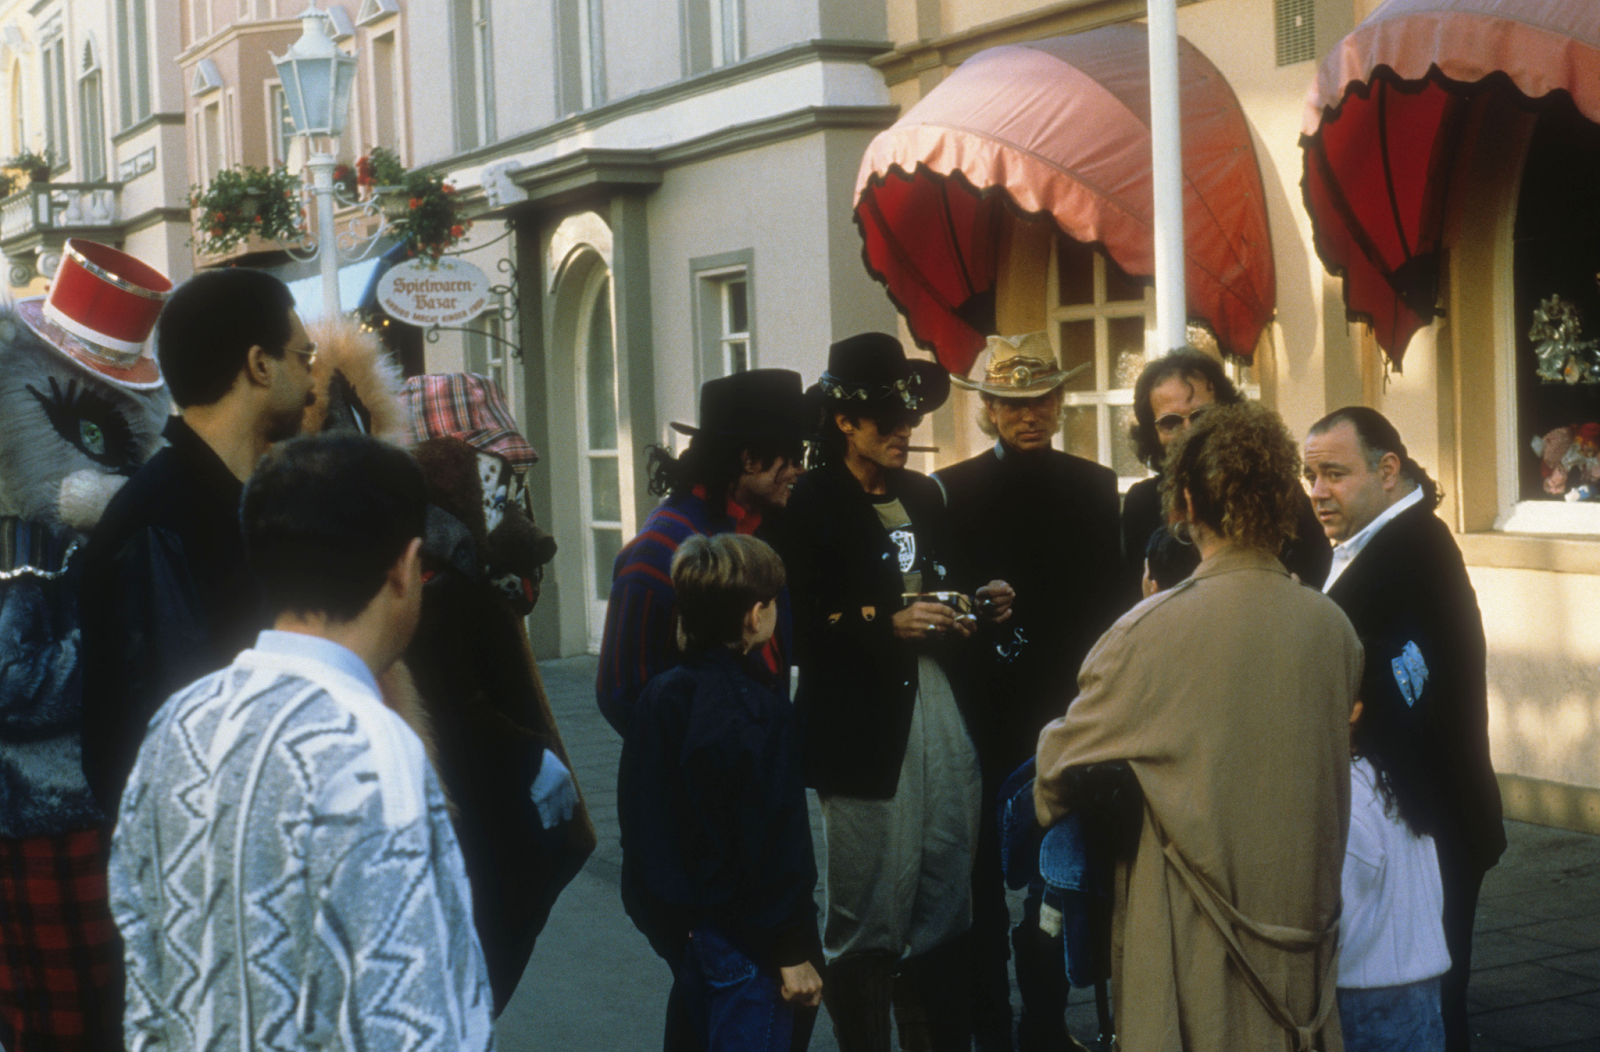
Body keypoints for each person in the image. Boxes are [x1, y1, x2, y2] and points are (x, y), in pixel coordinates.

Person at [107, 432, 494, 1052]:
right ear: (404, 567)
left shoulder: (179, 723)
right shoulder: (373, 748)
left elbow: (143, 966)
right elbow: (417, 1021)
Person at [1036, 402, 1361, 1051]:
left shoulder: (1148, 633)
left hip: (1194, 957)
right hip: (1306, 955)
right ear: (1280, 497)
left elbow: (1054, 773)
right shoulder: (1333, 629)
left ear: (1183, 501)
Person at [787, 332, 1010, 1052]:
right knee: (867, 909)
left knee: (946, 886)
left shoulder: (923, 494)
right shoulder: (811, 501)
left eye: (909, 419)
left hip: (940, 707)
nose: (904, 433)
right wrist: (886, 623)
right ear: (843, 421)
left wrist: (978, 601)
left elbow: (941, 579)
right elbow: (797, 625)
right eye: (887, 419)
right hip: (861, 728)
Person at [935, 332, 1120, 1052]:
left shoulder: (1096, 485)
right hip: (984, 706)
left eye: (1041, 399)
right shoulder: (953, 490)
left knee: (1060, 872)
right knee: (981, 876)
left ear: (1060, 401)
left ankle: (1044, 1020)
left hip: (1071, 704)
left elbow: (1111, 603)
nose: (1029, 413)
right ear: (986, 408)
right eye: (1012, 402)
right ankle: (989, 1025)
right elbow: (945, 596)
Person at [78, 268, 316, 815]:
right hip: (207, 862)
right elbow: (173, 730)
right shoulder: (162, 515)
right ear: (259, 364)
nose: (311, 384)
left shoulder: (233, 500)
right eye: (304, 357)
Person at [1304, 406, 1505, 1052]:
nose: (1316, 492)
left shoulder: (1414, 550)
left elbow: (1371, 694)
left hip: (1427, 825)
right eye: (1309, 474)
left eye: (1334, 473)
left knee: (1428, 1006)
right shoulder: (1375, 541)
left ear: (1388, 470)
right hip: (1413, 822)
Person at [619, 532, 823, 1052]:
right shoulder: (760, 707)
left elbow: (642, 825)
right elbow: (777, 842)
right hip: (752, 943)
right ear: (756, 616)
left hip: (692, 934)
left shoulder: (661, 695)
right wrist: (794, 947)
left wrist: (674, 928)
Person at [597, 369, 806, 734]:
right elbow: (623, 692)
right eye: (790, 456)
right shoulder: (661, 549)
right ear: (749, 460)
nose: (799, 470)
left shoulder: (756, 532)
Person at [1120, 349, 1330, 598]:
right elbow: (1130, 594)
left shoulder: (1270, 486)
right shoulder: (1141, 503)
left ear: (1229, 413)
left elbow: (1317, 562)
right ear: (1152, 434)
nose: (1189, 431)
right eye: (1170, 422)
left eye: (1202, 415)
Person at [1338, 640, 1451, 1052]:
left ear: (1355, 708)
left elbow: (1337, 908)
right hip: (1423, 993)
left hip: (1368, 998)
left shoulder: (1348, 792)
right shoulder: (1396, 780)